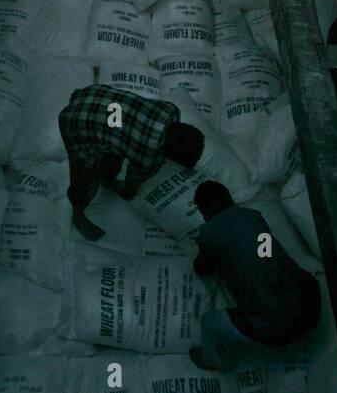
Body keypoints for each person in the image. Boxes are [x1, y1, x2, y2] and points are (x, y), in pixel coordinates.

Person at [189, 180, 321, 371]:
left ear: (205, 213)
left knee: (209, 322)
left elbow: (203, 268)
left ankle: (213, 361)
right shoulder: (253, 217)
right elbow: (266, 254)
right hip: (311, 309)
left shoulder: (209, 233)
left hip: (277, 331)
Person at [58, 83, 205, 241]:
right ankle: (78, 214)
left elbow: (128, 140)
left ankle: (107, 179)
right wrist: (128, 192)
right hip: (77, 124)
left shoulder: (172, 112)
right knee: (85, 176)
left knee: (117, 149)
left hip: (95, 95)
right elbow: (132, 183)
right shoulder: (149, 157)